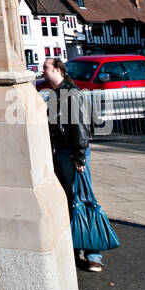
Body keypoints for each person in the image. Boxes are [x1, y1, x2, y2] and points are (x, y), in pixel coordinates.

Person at [41, 56, 103, 273]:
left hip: (72, 154)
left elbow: (80, 126)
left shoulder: (71, 93)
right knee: (71, 200)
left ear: (58, 69)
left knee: (83, 198)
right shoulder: (56, 94)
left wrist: (79, 156)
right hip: (63, 154)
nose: (42, 72)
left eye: (46, 68)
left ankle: (94, 254)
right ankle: (77, 247)